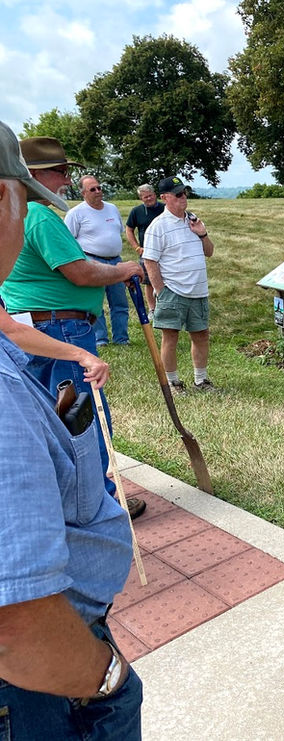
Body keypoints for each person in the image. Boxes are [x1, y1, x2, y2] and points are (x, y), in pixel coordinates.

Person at [0, 119, 142, 740]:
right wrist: (105, 678)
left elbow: (7, 327)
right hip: (43, 692)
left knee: (66, 430)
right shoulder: (47, 220)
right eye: (32, 187)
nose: (44, 191)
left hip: (49, 331)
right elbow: (15, 618)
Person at [0, 136, 144, 515]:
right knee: (83, 417)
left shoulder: (25, 216)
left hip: (35, 329)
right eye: (61, 172)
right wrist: (122, 270)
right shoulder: (41, 216)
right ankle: (97, 503)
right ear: (32, 175)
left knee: (55, 417)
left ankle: (69, 498)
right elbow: (79, 272)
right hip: (60, 328)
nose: (66, 180)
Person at [142, 175, 215, 392]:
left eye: (185, 193)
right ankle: (172, 382)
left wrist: (202, 233)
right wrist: (160, 291)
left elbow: (209, 252)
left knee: (201, 335)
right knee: (170, 336)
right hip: (173, 290)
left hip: (198, 289)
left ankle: (200, 380)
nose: (184, 198)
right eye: (178, 194)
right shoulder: (158, 226)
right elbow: (150, 260)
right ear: (164, 198)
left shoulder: (193, 220)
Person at [64, 175, 130, 346]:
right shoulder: (75, 213)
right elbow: (68, 241)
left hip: (115, 261)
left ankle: (122, 338)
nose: (98, 191)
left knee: (120, 303)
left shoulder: (112, 208)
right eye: (93, 189)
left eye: (99, 187)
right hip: (92, 261)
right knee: (96, 304)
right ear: (83, 193)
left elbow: (118, 231)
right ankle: (100, 339)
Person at [125, 183, 164, 311]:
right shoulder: (137, 211)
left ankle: (166, 307)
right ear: (141, 198)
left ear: (155, 195)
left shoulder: (166, 209)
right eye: (145, 197)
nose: (149, 198)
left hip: (165, 251)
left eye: (150, 195)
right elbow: (129, 229)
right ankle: (152, 309)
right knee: (149, 282)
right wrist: (137, 248)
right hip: (146, 253)